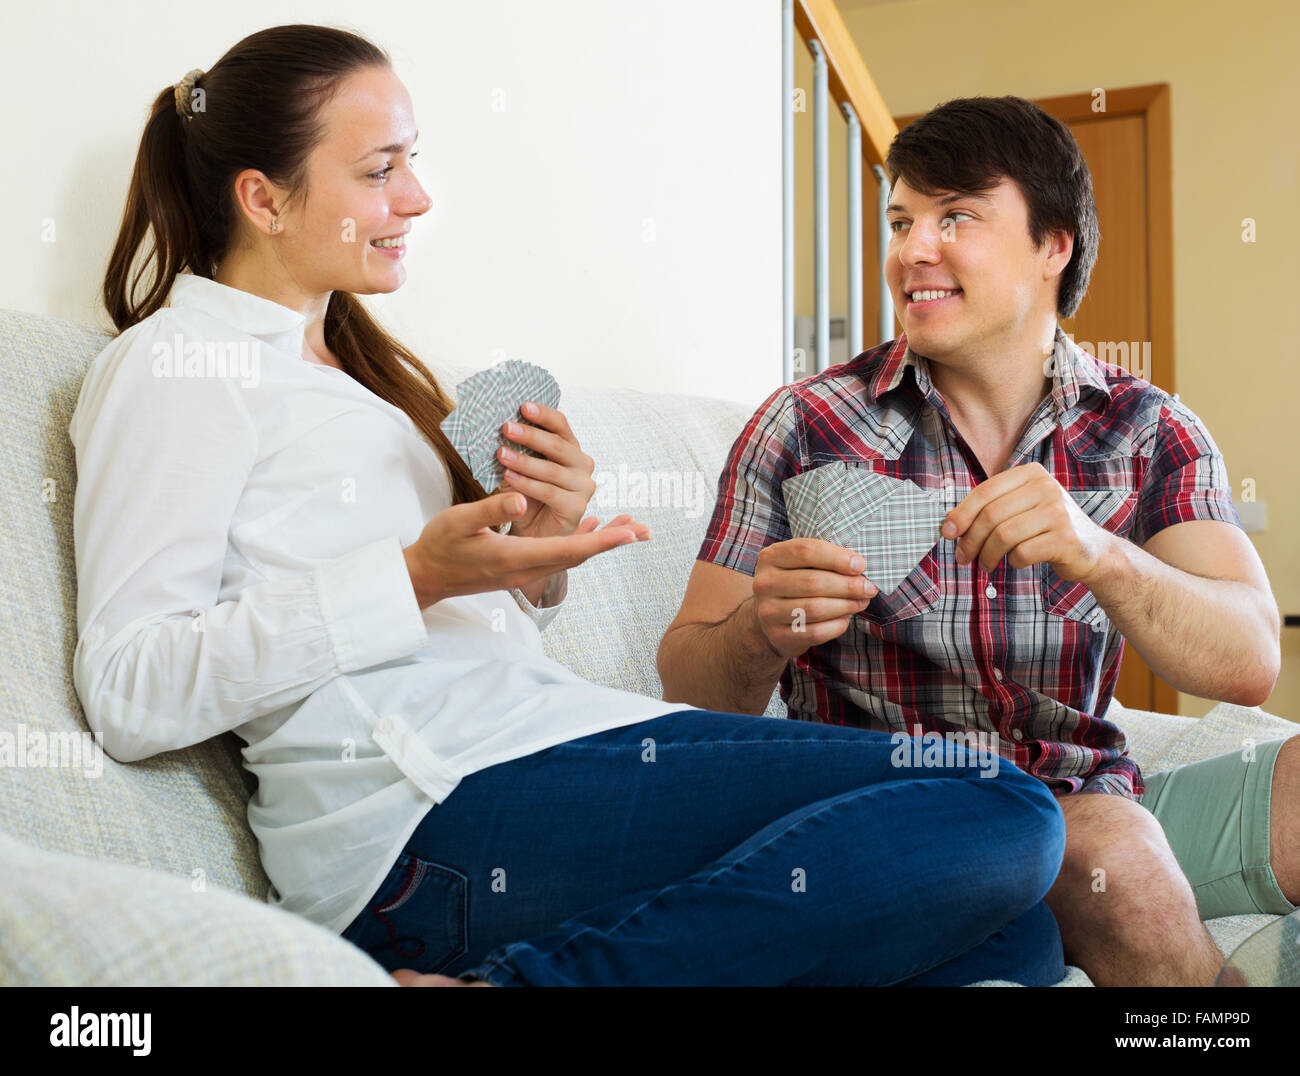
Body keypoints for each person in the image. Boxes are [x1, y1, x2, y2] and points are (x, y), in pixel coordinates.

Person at [70, 25, 1067, 988]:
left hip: (534, 748)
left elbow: (453, 625)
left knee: (1014, 930)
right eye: (379, 170)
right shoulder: (175, 364)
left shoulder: (362, 375)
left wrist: (539, 545)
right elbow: (129, 690)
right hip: (425, 821)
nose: (416, 197)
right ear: (264, 199)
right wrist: (413, 573)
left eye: (413, 161)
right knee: (1002, 807)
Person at [658, 95, 1298, 987]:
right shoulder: (804, 426)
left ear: (1053, 246)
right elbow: (691, 692)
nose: (913, 249)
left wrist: (1099, 551)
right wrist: (760, 631)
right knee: (1125, 860)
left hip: (1092, 791)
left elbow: (1247, 662)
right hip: (906, 822)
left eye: (955, 216)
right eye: (901, 221)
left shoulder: (1147, 430)